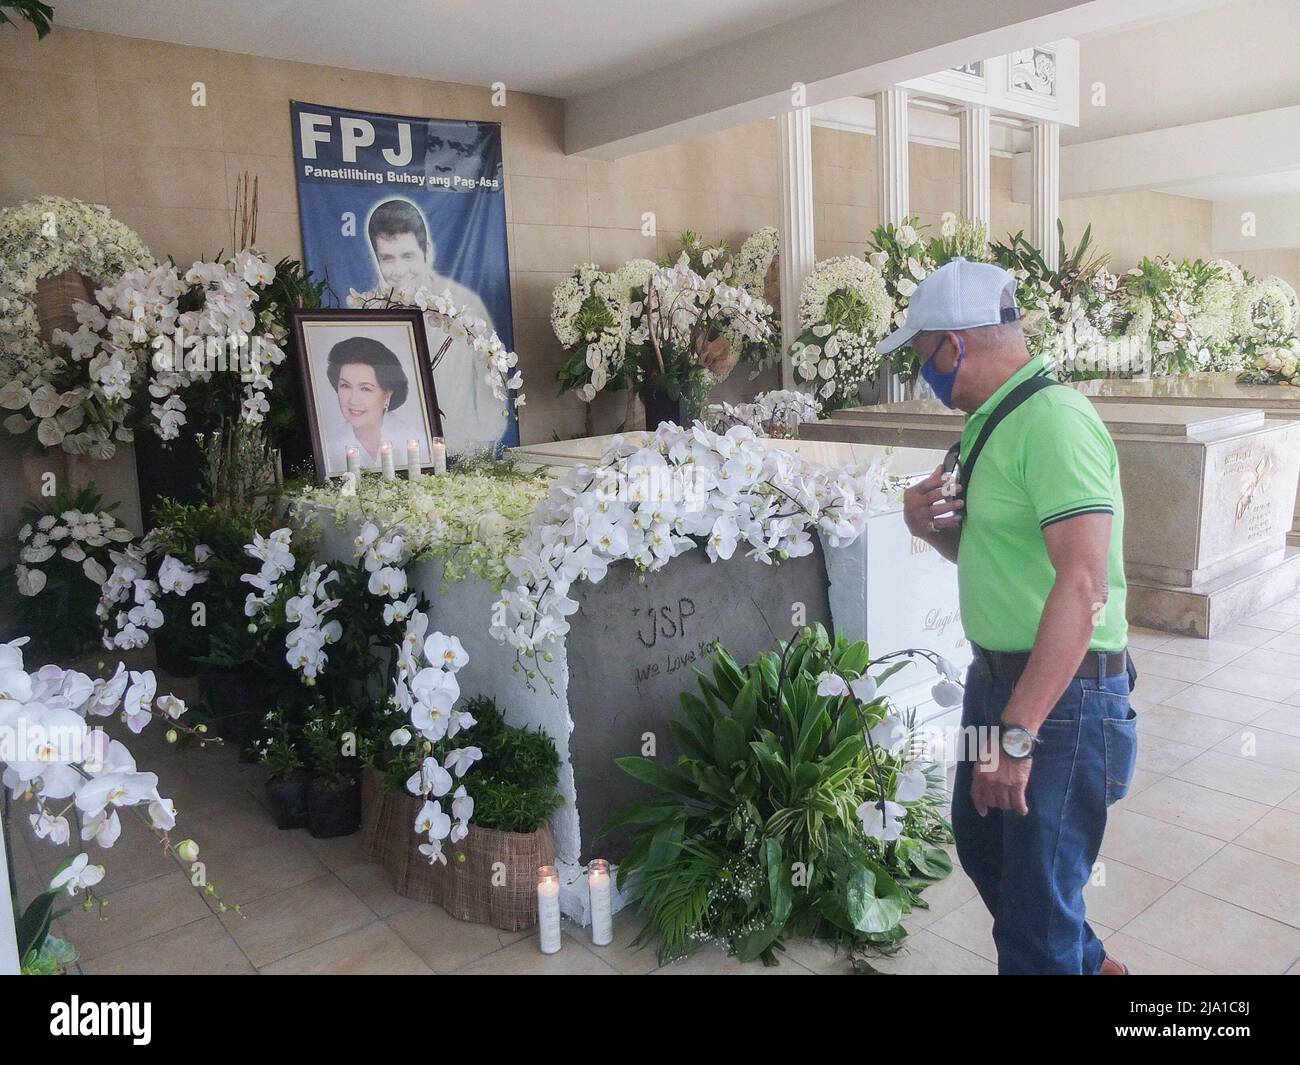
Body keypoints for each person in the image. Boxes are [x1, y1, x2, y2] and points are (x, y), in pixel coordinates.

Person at [885, 258, 1138, 976]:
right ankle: (1090, 964)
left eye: (921, 354)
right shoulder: (990, 423)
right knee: (986, 846)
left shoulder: (1054, 422)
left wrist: (1019, 735)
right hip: (995, 678)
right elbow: (993, 552)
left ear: (953, 344)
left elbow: (1083, 585)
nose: (920, 372)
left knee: (1033, 909)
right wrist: (926, 527)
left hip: (1062, 697)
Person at [366, 199, 508, 451]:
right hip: (396, 451)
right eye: (387, 259)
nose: (399, 270)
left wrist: (483, 443)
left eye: (407, 256)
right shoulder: (368, 312)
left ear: (427, 251)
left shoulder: (464, 304)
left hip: (461, 448)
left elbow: (491, 374)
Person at [324, 335, 425, 472]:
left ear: (387, 395)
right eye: (345, 386)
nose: (353, 400)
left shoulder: (415, 441)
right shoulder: (329, 449)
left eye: (365, 389)